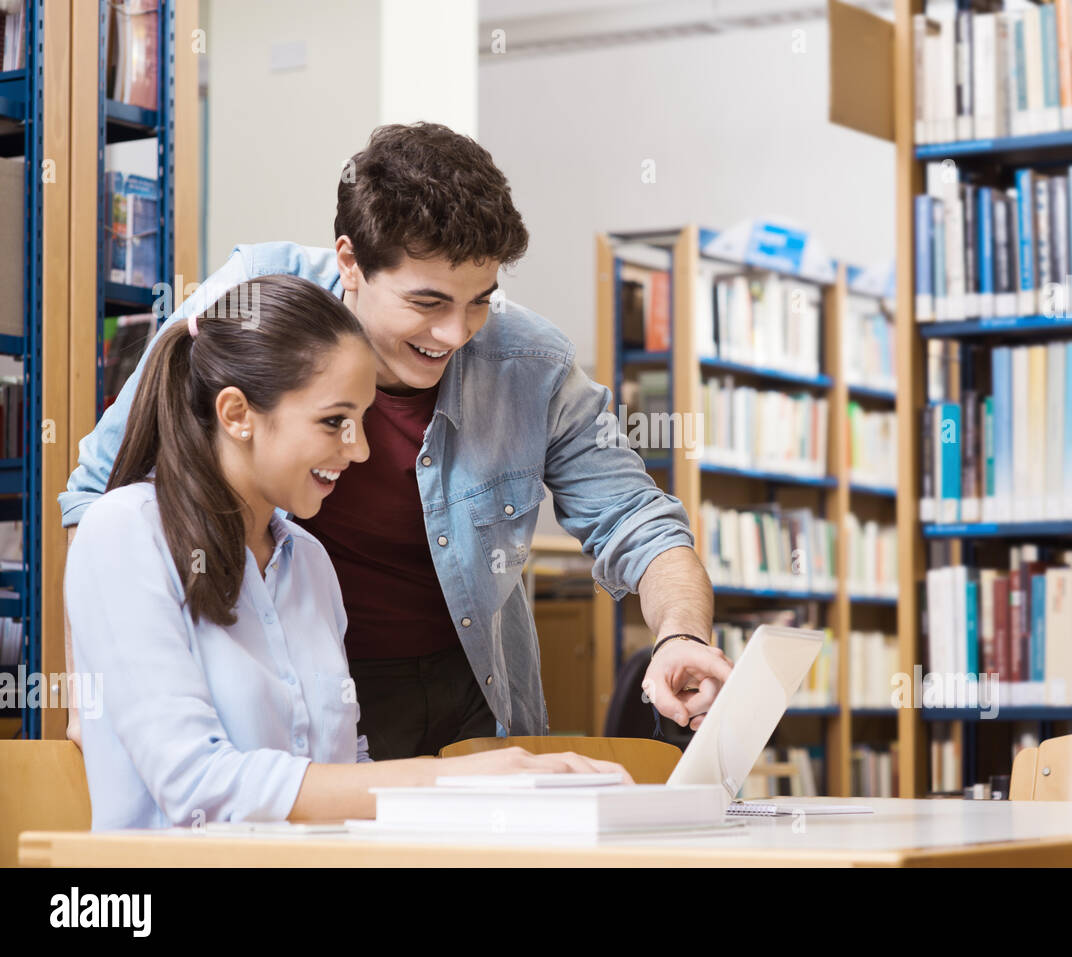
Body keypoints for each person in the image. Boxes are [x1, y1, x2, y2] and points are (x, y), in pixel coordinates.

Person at [61, 121, 731, 760]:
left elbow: (639, 521)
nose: (456, 333)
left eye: (479, 300)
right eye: (429, 303)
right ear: (350, 261)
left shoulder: (531, 363)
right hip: (305, 683)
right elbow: (99, 491)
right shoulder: (257, 302)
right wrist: (94, 696)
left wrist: (679, 634)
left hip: (473, 682)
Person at [66, 275, 633, 830]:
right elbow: (198, 784)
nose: (358, 450)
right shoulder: (125, 533)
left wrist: (491, 804)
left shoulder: (309, 563)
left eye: (361, 421)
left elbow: (346, 775)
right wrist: (462, 779)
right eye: (334, 421)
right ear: (237, 414)